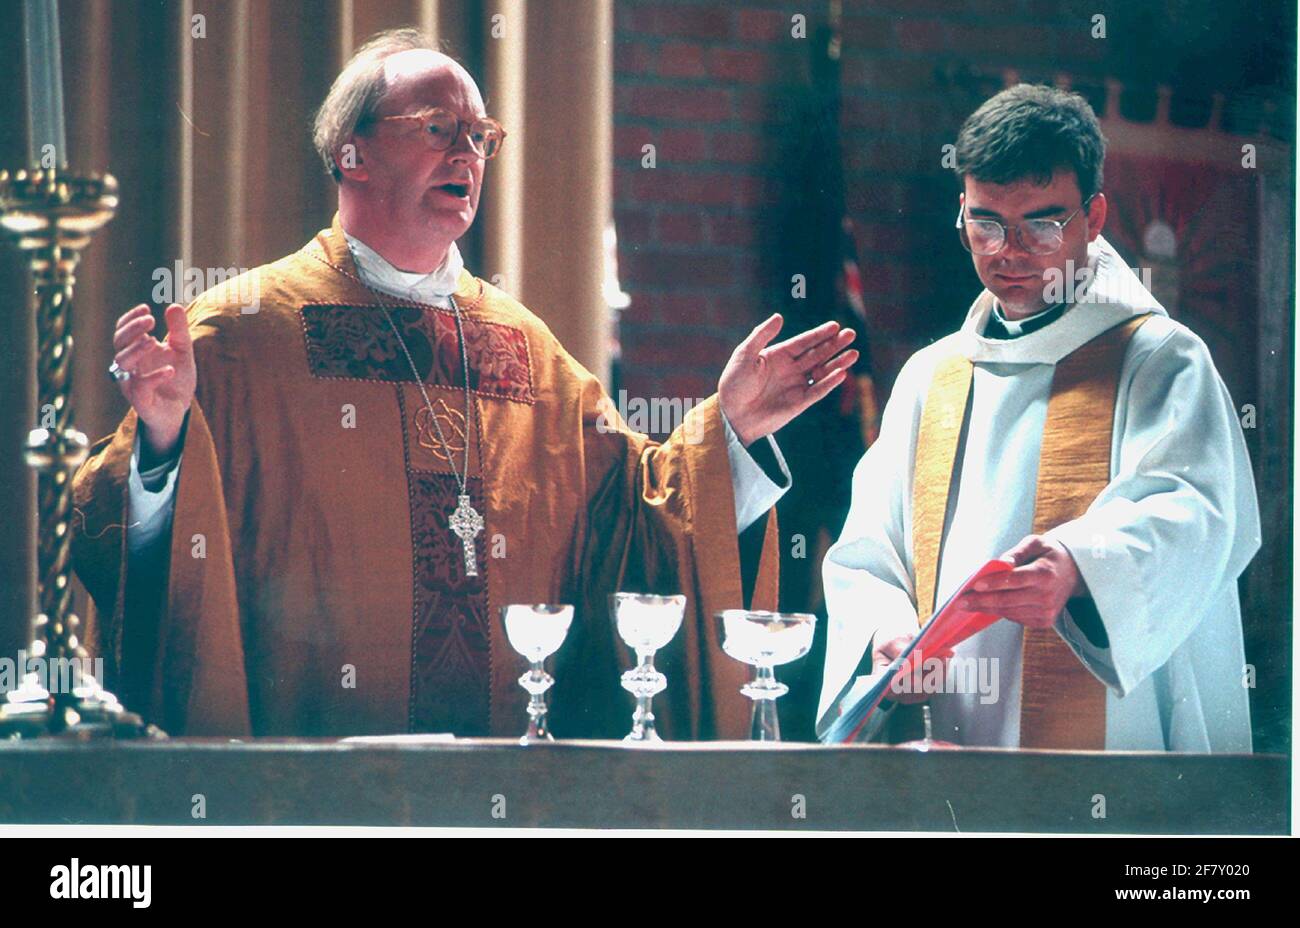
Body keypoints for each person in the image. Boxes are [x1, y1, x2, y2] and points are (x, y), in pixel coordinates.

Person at [72, 29, 858, 739]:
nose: (467, 155)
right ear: (352, 152)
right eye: (437, 130)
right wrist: (164, 444)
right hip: (306, 786)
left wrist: (729, 432)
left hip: (507, 789)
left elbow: (634, 518)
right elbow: (124, 540)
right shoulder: (241, 336)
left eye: (480, 137)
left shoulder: (529, 348)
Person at [817, 84, 1259, 752]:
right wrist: (888, 632)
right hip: (952, 732)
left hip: (1111, 735)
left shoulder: (1160, 360)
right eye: (985, 223)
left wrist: (1082, 566)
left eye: (1042, 225)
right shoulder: (931, 377)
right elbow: (868, 552)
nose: (1008, 251)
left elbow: (1197, 511)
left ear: (1095, 215)